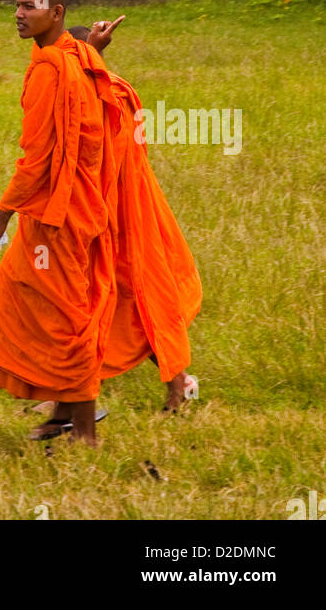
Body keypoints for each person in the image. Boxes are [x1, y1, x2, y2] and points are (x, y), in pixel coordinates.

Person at [0, 0, 120, 446]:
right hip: (68, 208)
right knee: (21, 298)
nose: (19, 14)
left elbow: (36, 158)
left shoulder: (51, 68)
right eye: (16, 5)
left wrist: (0, 216)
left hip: (60, 213)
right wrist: (95, 46)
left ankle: (83, 430)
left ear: (56, 14)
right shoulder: (70, 55)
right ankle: (60, 409)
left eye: (30, 7)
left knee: (67, 315)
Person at [69, 20, 201, 414]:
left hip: (127, 216)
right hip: (94, 217)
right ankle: (67, 398)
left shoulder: (114, 93)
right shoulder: (71, 91)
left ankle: (179, 383)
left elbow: (110, 150)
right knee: (81, 303)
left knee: (141, 300)